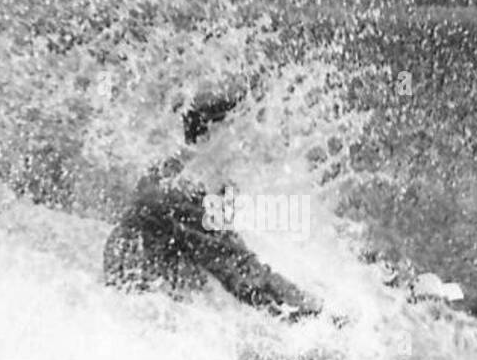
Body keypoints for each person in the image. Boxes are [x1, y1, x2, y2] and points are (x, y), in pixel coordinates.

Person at [103, 95, 321, 320]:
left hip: (132, 301)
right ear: (212, 136)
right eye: (248, 138)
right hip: (144, 312)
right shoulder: (190, 195)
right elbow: (249, 280)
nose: (255, 151)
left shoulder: (169, 172)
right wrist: (322, 313)